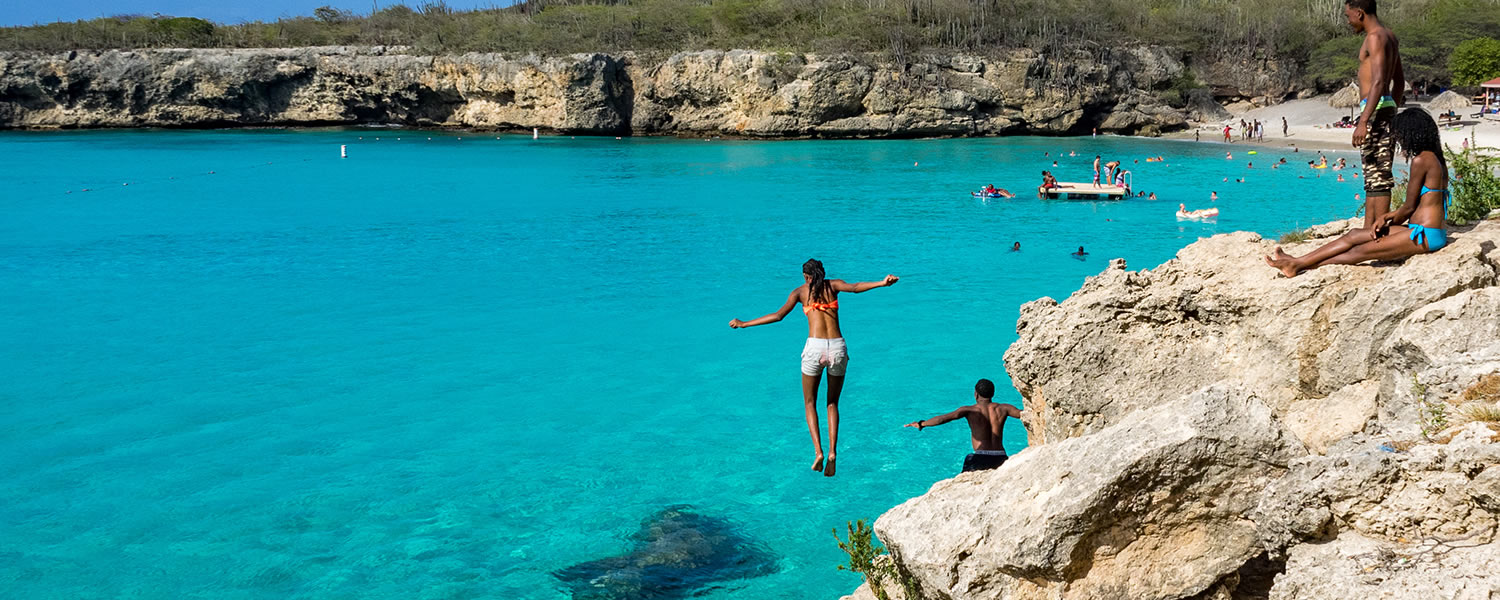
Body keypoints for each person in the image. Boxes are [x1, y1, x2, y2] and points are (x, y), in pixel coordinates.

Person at [729, 259, 899, 476]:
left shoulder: (800, 292)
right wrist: (882, 283)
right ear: (822, 273)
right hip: (837, 347)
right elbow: (856, 287)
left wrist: (744, 323)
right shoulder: (833, 285)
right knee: (832, 403)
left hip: (815, 348)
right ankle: (832, 452)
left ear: (806, 276)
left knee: (810, 402)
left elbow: (778, 316)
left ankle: (818, 452)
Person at [1264, 108, 1448, 278]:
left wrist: (1385, 219)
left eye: (1400, 134)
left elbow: (1408, 208)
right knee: (1354, 235)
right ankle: (1298, 261)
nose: (1398, 140)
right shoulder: (1436, 158)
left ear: (1412, 133)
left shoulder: (1421, 161)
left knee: (1359, 251)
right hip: (1421, 230)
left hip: (1426, 234)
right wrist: (1386, 220)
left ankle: (1298, 265)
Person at [1345, 0, 1405, 230]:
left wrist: (1363, 121)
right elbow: (1399, 81)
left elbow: (1380, 81)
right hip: (1382, 108)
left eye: (1349, 16)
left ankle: (1379, 232)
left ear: (1359, 13)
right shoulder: (1389, 36)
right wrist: (1393, 109)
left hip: (1375, 111)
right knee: (1372, 174)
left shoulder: (1375, 37)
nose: (1348, 21)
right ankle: (1368, 230)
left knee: (1379, 176)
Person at [904, 379, 1024, 473]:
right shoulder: (1004, 408)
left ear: (976, 394)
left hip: (980, 457)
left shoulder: (969, 410)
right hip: (1001, 457)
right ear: (993, 393)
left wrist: (921, 424)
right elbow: (1024, 414)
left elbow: (943, 418)